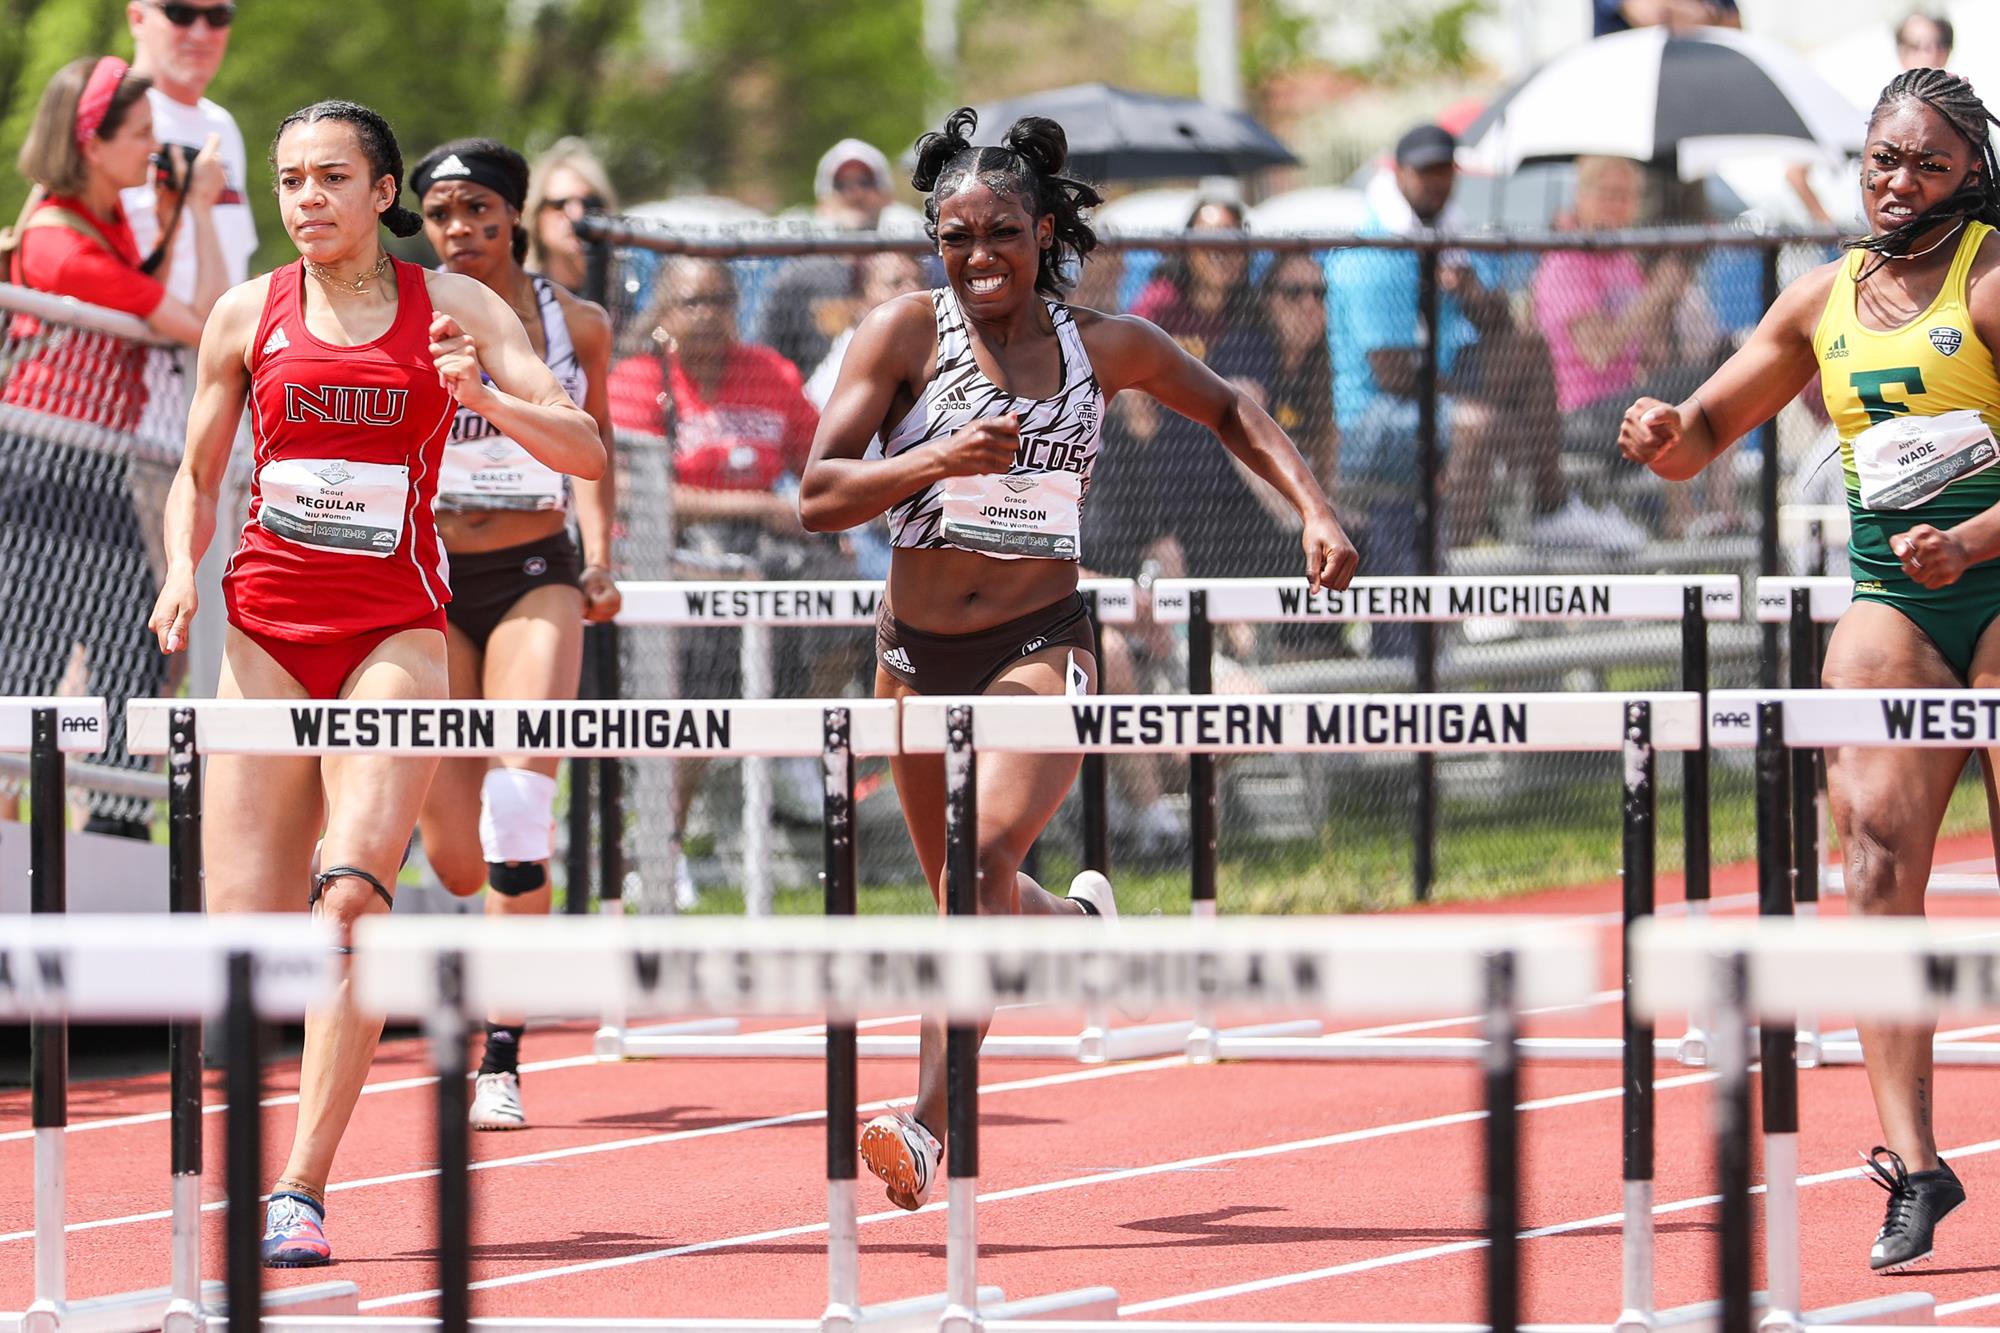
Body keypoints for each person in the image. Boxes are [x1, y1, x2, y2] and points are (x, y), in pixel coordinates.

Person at [800, 106, 1356, 1210]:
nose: (976, 258)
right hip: (913, 653)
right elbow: (817, 496)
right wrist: (939, 458)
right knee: (976, 889)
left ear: (1043, 230)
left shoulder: (1104, 346)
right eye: (954, 238)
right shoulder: (902, 335)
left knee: (974, 865)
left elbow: (1232, 412)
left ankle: (923, 1124)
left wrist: (1313, 509)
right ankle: (1081, 932)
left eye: (998, 234)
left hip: (1039, 642)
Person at [146, 100, 603, 1267]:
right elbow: (196, 476)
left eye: (331, 178)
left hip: (396, 632)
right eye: (289, 179)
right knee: (242, 937)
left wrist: (486, 398)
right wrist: (177, 578)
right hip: (261, 635)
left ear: (383, 192)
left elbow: (584, 450)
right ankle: (241, 1159)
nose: (305, 200)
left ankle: (298, 1188)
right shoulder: (248, 316)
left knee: (348, 902)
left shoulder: (452, 307)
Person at [1619, 67, 1998, 1273]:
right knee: (1873, 850)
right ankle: (1915, 1163)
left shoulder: (1989, 283)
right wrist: (1659, 433)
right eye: (1882, 160)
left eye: (1924, 165)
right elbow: (1702, 438)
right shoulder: (1819, 298)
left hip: (1997, 575)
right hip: (1897, 595)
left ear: (1969, 175)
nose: (1896, 183)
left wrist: (1976, 538)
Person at [410, 137, 620, 1131]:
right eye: (443, 213)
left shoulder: (574, 321)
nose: (461, 230)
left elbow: (597, 446)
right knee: (455, 858)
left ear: (514, 216)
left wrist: (604, 553)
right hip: (432, 577)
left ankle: (502, 1053)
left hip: (536, 567)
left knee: (516, 808)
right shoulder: (402, 314)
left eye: (478, 211)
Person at [2, 54, 226, 836]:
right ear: (89, 144)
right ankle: (60, 833)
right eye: (137, 135)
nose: (151, 150)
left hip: (86, 462)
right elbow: (202, 329)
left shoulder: (98, 218)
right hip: (41, 465)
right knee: (29, 663)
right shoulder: (65, 242)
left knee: (128, 653)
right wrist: (195, 208)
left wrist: (172, 215)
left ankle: (122, 821)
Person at [608, 257, 823, 907]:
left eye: (720, 301)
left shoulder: (769, 371)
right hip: (658, 557)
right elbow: (634, 495)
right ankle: (660, 846)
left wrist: (813, 516)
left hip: (757, 558)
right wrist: (756, 505)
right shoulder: (638, 378)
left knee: (846, 591)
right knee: (698, 668)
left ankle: (790, 739)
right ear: (665, 314)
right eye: (693, 302)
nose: (708, 315)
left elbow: (816, 462)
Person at [755, 137, 925, 375]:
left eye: (866, 182)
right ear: (823, 203)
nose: (854, 193)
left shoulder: (915, 267)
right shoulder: (799, 276)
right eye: (840, 185)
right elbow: (770, 357)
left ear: (887, 196)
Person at [122, 0, 256, 297]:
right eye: (179, 14)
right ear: (137, 18)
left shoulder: (223, 125)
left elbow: (236, 250)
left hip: (216, 339)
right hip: (128, 338)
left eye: (217, 16)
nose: (200, 33)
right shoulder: (110, 113)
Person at [524, 136, 618, 296]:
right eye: (559, 204)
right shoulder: (520, 297)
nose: (577, 215)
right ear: (536, 216)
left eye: (589, 202)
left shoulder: (630, 289)